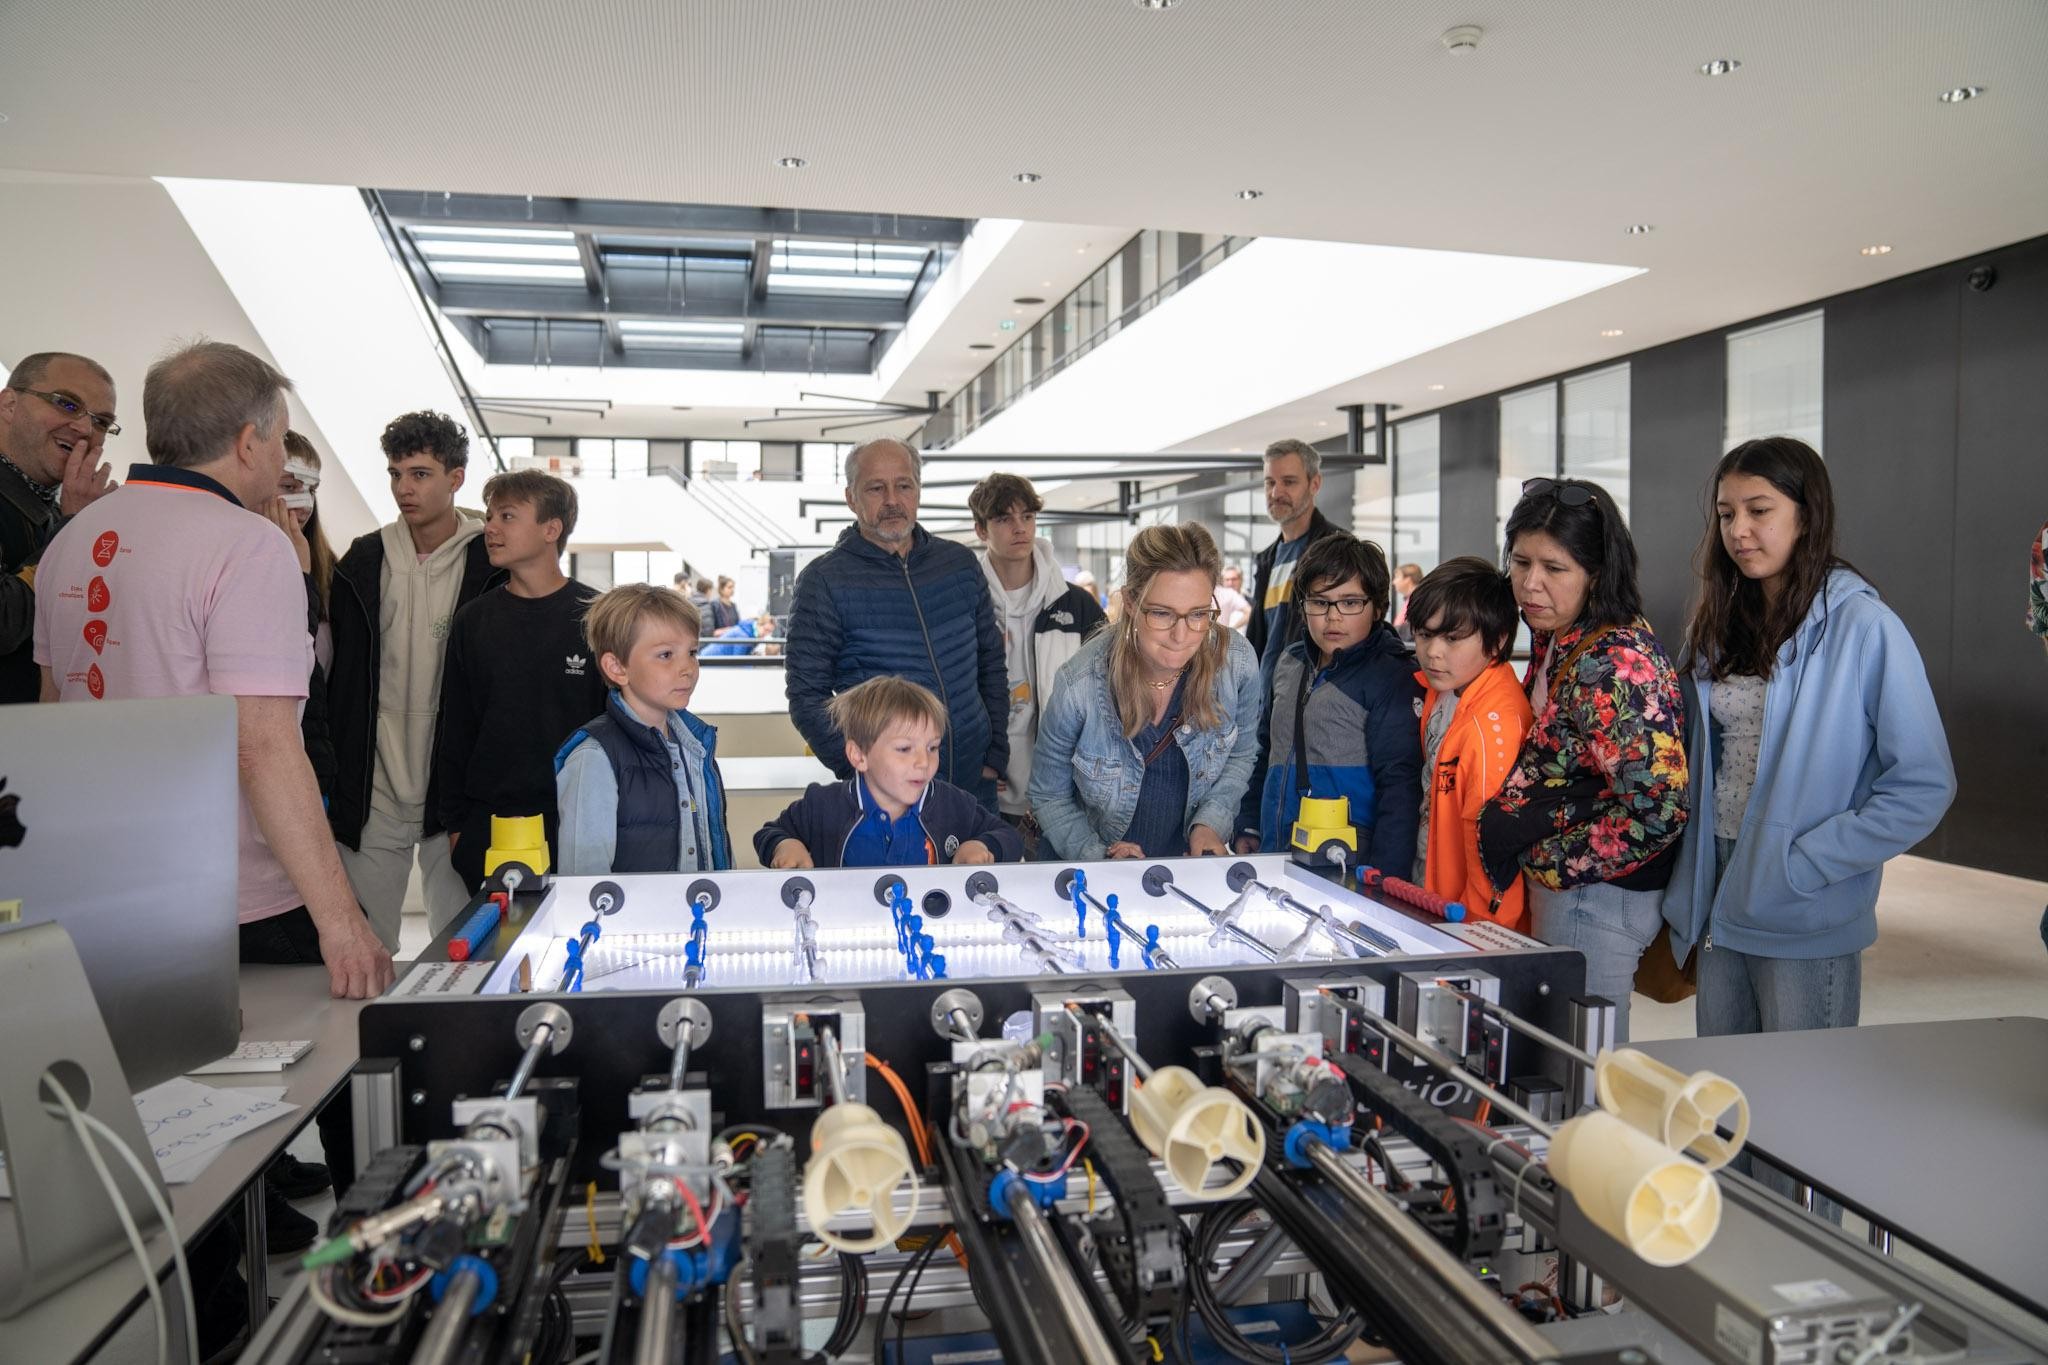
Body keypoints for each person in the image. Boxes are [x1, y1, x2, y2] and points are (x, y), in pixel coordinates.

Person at [33, 343, 394, 1322]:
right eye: (279, 441)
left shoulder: (77, 537)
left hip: (107, 891)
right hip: (233, 885)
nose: (283, 463)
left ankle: (216, 1299)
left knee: (165, 1104)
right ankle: (379, 1274)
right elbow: (265, 743)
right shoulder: (245, 545)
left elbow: (51, 709)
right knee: (374, 1045)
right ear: (249, 441)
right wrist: (341, 919)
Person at [1664, 438, 1953, 1038]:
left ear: (1806, 514)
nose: (1739, 530)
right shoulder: (1720, 626)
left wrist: (1809, 862)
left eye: (1759, 509)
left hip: (1801, 904)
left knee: (1804, 1105)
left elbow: (1923, 784)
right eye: (1725, 513)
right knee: (1725, 1102)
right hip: (1719, 888)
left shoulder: (1864, 626)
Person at [1479, 477, 1689, 1045]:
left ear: (1596, 573)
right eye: (1520, 561)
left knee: (1582, 1066)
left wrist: (1553, 859)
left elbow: (1660, 809)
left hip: (1596, 899)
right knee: (1558, 1055)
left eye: (1555, 567)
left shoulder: (1612, 663)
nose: (1530, 583)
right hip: (1574, 895)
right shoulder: (1562, 636)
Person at [328, 410, 501, 946]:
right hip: (373, 786)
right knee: (364, 946)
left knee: (464, 947)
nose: (404, 488)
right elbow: (340, 678)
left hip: (454, 789)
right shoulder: (363, 559)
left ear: (456, 478)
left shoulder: (490, 563)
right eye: (396, 473)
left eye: (420, 474)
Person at [784, 437, 1008, 810]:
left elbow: (991, 664)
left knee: (980, 870)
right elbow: (807, 698)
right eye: (876, 488)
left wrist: (994, 754)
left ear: (917, 490)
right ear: (851, 498)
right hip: (888, 798)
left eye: (903, 485)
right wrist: (859, 768)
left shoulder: (959, 563)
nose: (892, 500)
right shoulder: (823, 581)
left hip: (973, 786)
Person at [1030, 523, 1261, 861]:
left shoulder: (1237, 664)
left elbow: (1241, 755)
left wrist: (1212, 822)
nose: (1181, 635)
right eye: (1162, 614)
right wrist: (1100, 857)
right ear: (1131, 602)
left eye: (1198, 614)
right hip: (1086, 877)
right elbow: (1048, 795)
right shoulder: (1079, 683)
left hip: (1181, 876)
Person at [435, 470, 607, 890]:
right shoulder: (473, 620)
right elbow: (454, 730)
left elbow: (619, 726)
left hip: (578, 822)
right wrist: (458, 830)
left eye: (507, 517)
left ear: (551, 529)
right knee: (497, 951)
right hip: (489, 827)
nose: (490, 528)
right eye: (490, 516)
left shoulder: (599, 617)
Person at [1235, 533, 1424, 877]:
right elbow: (1265, 750)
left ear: (1378, 607)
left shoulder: (1392, 677)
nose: (1333, 617)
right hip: (1275, 854)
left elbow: (1400, 790)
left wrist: (1385, 881)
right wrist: (1248, 821)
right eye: (1320, 602)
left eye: (1350, 603)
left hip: (1348, 868)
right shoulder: (1289, 663)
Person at [969, 472, 1107, 855]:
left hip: (1064, 788)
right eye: (1004, 519)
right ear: (981, 529)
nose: (1019, 528)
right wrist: (975, 761)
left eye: (1027, 516)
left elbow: (1107, 690)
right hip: (988, 783)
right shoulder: (967, 603)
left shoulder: (1076, 605)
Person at [757, 676, 1023, 869]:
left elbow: (1009, 836)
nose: (923, 761)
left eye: (932, 747)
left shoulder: (953, 803)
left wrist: (981, 846)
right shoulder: (822, 805)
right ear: (859, 756)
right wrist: (786, 845)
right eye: (905, 749)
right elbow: (770, 833)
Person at [556, 584, 732, 874]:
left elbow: (715, 849)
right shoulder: (593, 758)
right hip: (629, 920)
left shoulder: (695, 745)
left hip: (698, 917)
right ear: (617, 668)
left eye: (691, 652)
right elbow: (583, 885)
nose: (687, 667)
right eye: (666, 655)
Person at [1408, 557, 1534, 931]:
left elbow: (1493, 856)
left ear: (1497, 641)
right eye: (1424, 634)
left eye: (1451, 638)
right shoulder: (1444, 690)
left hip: (1467, 924)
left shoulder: (1493, 729)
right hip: (1434, 892)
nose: (1433, 651)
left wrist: (1476, 936)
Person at [1, 352, 119, 704]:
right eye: (66, 404)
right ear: (8, 404)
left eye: (101, 421)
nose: (85, 428)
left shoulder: (62, 511)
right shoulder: (71, 519)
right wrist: (73, 533)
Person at [1247, 438, 1344, 702]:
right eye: (1270, 482)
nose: (1276, 492)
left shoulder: (1338, 549)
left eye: (1288, 482)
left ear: (1315, 484)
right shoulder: (1267, 559)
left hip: (1310, 703)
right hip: (1265, 706)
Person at [274, 431, 339, 803]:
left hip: (314, 767)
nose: (302, 501)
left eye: (310, 489)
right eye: (288, 485)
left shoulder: (333, 571)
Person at [1391, 562, 1423, 642]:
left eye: (1397, 577)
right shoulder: (1411, 599)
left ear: (1407, 579)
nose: (1393, 582)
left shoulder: (1420, 601)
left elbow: (1411, 631)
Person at [1216, 564, 1253, 631]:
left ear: (1241, 580)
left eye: (1234, 579)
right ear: (1222, 581)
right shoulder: (1217, 600)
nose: (1230, 583)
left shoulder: (1251, 602)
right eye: (1227, 580)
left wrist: (1233, 629)